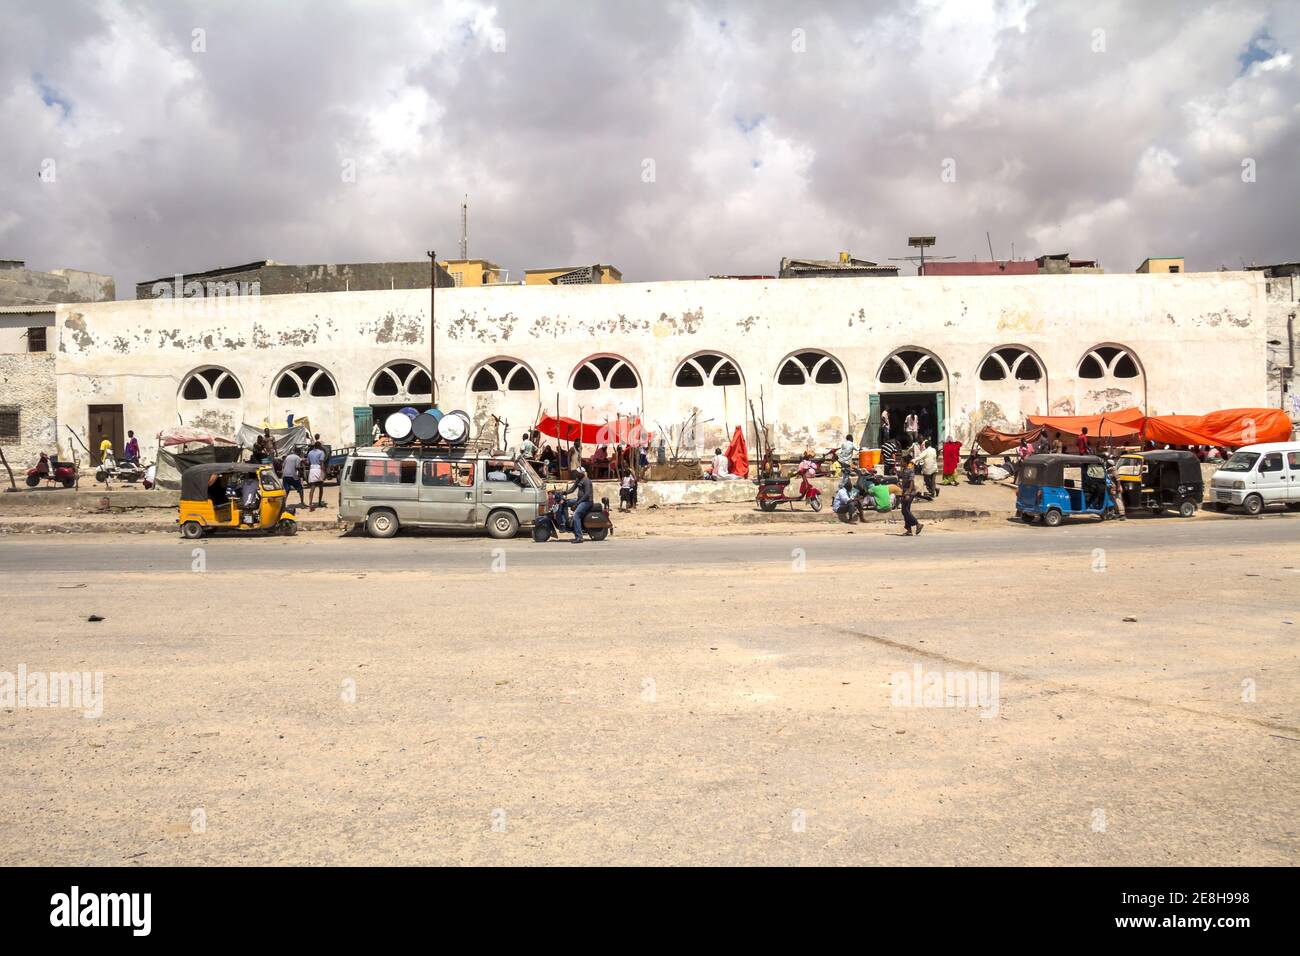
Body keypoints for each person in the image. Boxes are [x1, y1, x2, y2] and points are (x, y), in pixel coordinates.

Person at [562, 465, 593, 543]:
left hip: (586, 502)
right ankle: (565, 523)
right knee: (565, 503)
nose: (576, 473)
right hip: (580, 500)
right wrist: (564, 492)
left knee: (576, 515)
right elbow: (572, 489)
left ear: (581, 473)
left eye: (577, 472)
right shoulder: (578, 479)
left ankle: (579, 537)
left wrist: (577, 504)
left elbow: (587, 495)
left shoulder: (586, 481)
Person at [896, 454, 922, 537]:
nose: (900, 462)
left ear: (905, 462)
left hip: (909, 493)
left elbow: (911, 482)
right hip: (904, 492)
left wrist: (908, 493)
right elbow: (901, 478)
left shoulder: (910, 470)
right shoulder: (903, 470)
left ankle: (917, 524)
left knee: (905, 510)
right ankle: (909, 530)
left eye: (902, 461)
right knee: (906, 511)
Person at [306, 441, 326, 512]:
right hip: (318, 469)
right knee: (321, 487)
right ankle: (320, 502)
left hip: (312, 469)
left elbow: (308, 462)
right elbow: (322, 463)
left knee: (312, 487)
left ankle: (310, 503)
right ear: (320, 446)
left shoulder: (310, 453)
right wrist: (323, 472)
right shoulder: (321, 452)